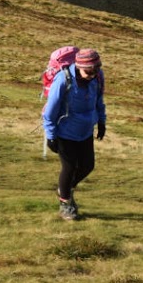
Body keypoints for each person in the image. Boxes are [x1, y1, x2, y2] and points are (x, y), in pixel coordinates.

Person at [41, 47, 106, 221]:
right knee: (69, 168)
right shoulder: (63, 80)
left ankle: (65, 189)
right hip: (65, 132)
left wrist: (101, 121)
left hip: (85, 131)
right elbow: (50, 111)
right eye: (89, 71)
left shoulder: (97, 77)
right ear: (78, 66)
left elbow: (99, 100)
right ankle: (65, 204)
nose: (93, 74)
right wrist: (51, 135)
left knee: (87, 166)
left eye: (96, 70)